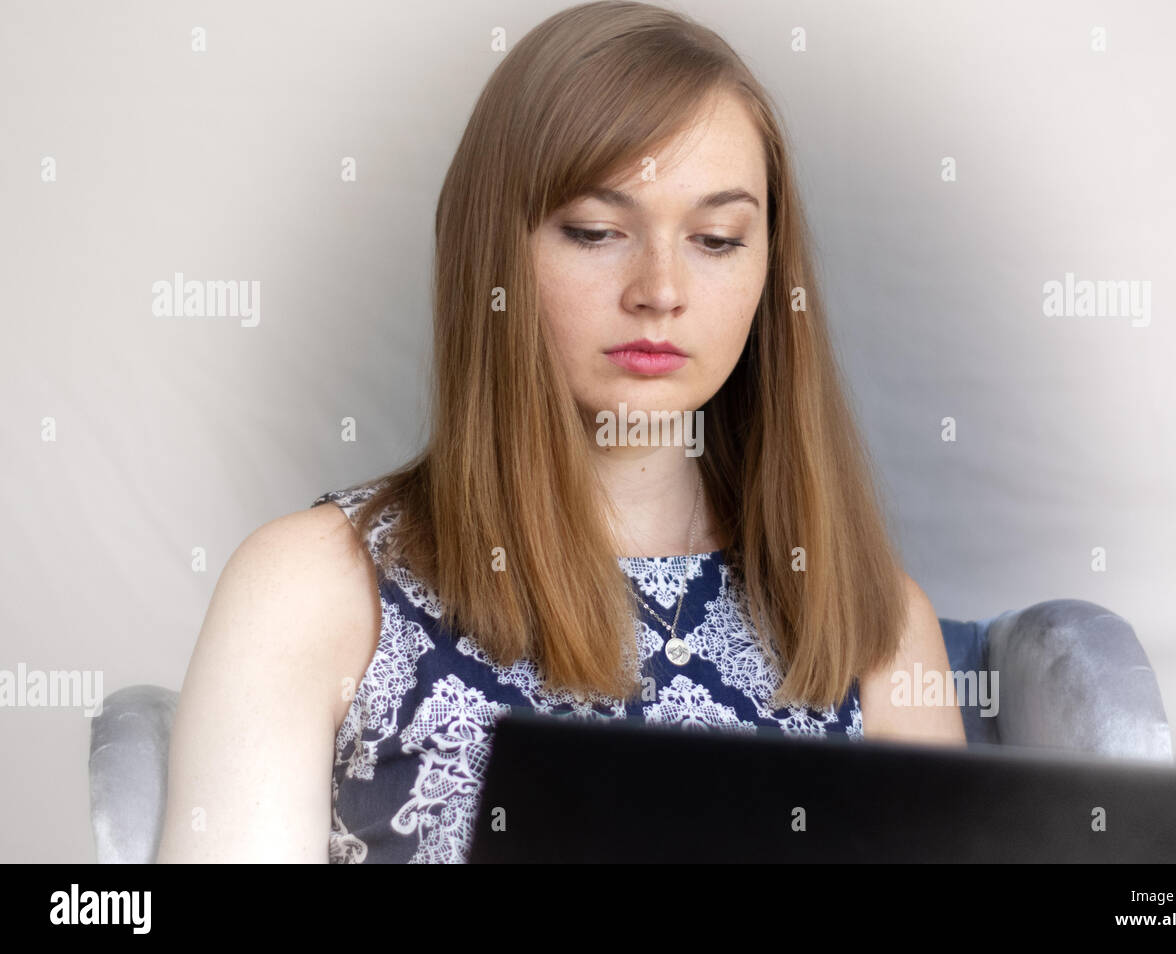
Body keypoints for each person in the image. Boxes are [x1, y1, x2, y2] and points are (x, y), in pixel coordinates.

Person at [157, 0, 963, 865]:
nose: (661, 288)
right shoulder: (311, 589)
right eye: (595, 231)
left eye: (717, 239)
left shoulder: (872, 620)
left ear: (771, 267)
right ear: (493, 253)